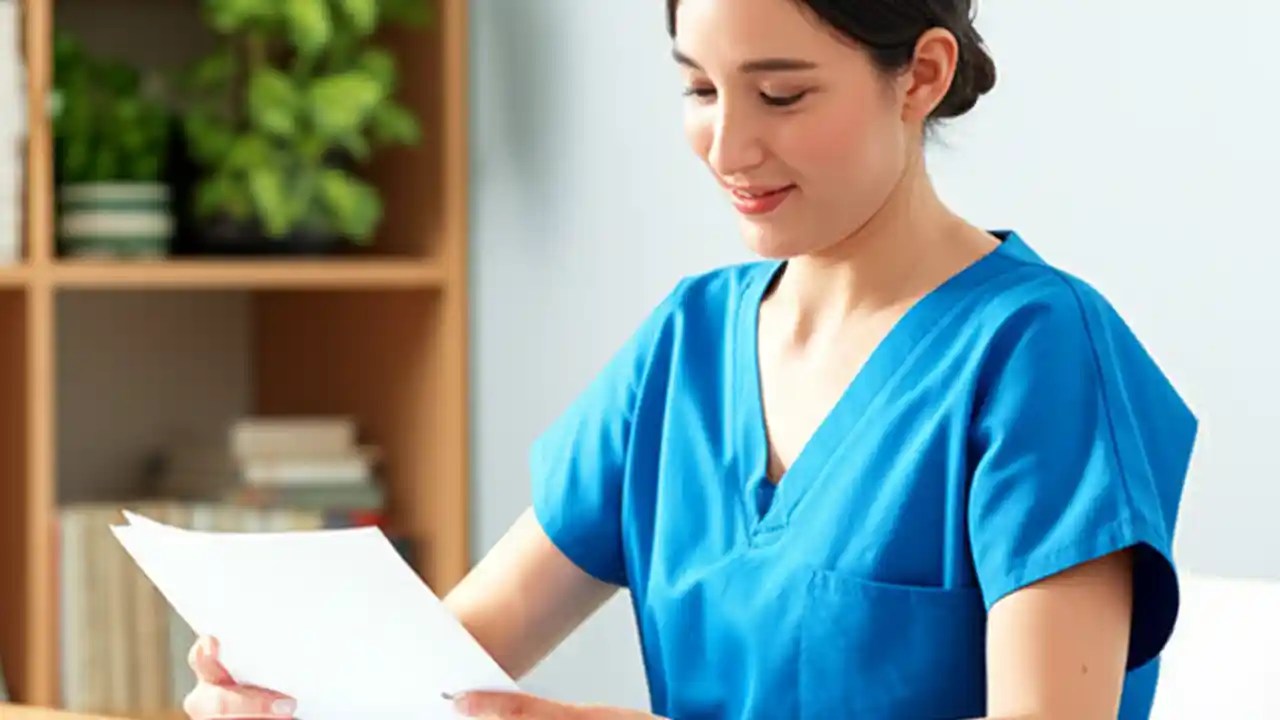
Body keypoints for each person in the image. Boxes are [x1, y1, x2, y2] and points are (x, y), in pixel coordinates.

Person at [182, 0, 1198, 718]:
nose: (726, 146)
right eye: (700, 88)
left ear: (921, 76)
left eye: (782, 95)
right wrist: (298, 695)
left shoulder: (1037, 352)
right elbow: (441, 669)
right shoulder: (688, 344)